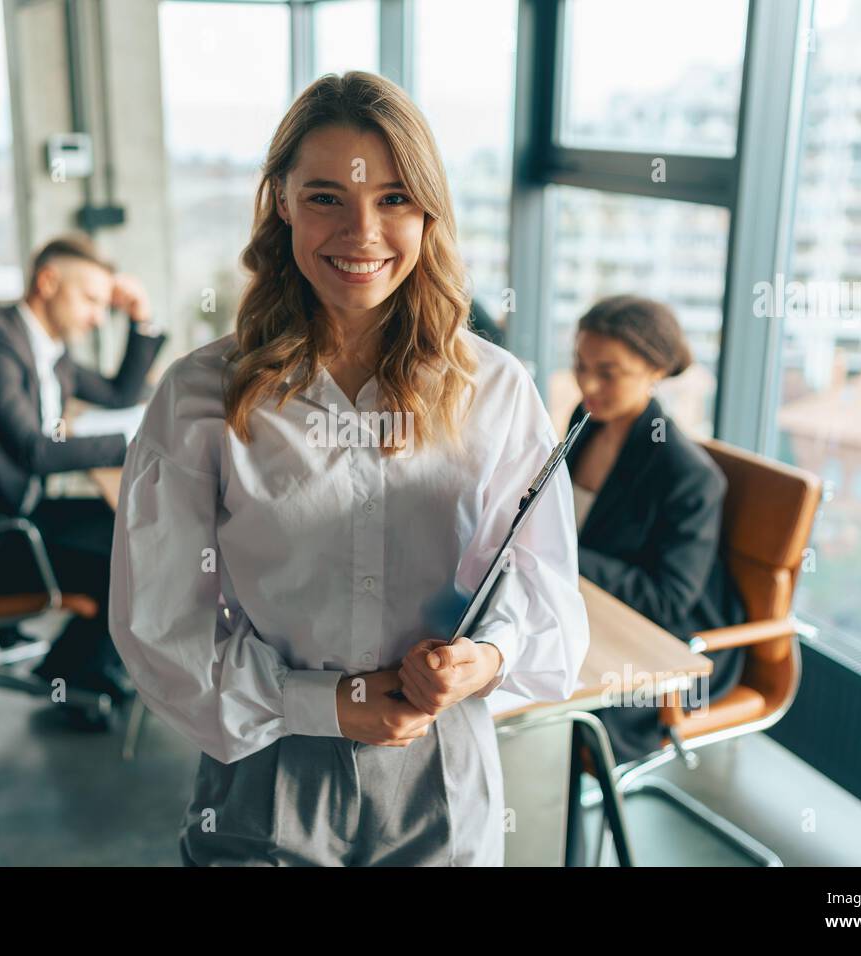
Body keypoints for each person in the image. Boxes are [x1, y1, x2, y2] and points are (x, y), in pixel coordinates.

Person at [108, 72, 589, 866]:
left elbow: (548, 597)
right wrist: (327, 705)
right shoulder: (200, 397)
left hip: (441, 766)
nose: (363, 233)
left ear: (429, 212)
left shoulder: (497, 390)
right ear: (282, 205)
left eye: (394, 197)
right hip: (266, 762)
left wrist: (487, 658)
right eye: (327, 197)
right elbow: (157, 627)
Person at [0, 233, 166, 707]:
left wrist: (141, 319)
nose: (96, 316)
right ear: (47, 282)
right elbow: (34, 451)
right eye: (90, 299)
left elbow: (117, 395)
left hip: (12, 513)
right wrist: (133, 444)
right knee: (135, 560)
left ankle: (68, 667)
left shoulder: (46, 350)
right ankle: (75, 674)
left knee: (138, 532)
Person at [563, 294, 748, 766]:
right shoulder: (583, 420)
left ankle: (561, 836)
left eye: (608, 372)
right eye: (580, 365)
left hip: (670, 650)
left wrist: (563, 551)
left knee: (558, 721)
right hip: (592, 610)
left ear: (656, 370)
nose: (587, 383)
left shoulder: (686, 474)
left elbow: (667, 600)